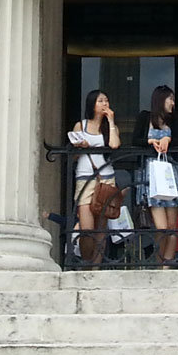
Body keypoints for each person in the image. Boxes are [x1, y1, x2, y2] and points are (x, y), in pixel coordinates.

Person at [69, 89, 122, 265]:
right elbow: (74, 156)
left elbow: (114, 145)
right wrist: (81, 147)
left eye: (106, 100)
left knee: (101, 227)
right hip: (85, 177)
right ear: (92, 104)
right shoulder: (81, 125)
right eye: (100, 101)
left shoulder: (110, 128)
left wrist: (111, 121)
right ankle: (86, 261)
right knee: (87, 228)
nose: (104, 104)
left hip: (106, 178)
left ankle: (96, 267)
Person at [136, 85, 178, 265]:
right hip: (151, 171)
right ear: (161, 99)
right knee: (162, 227)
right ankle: (158, 262)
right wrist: (151, 141)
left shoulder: (173, 120)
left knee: (172, 227)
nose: (173, 103)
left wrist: (168, 139)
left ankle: (167, 265)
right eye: (170, 99)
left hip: (169, 171)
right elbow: (135, 141)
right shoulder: (145, 117)